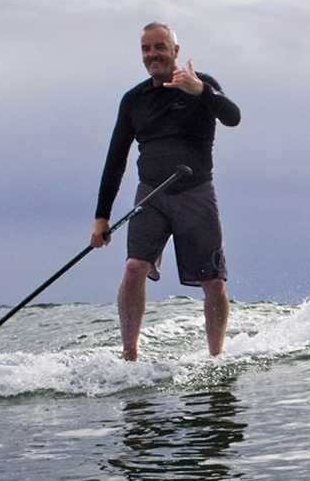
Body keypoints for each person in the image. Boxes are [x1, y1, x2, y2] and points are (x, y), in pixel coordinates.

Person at [90, 22, 241, 360]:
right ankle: (129, 355)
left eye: (159, 47)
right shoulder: (133, 100)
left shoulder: (202, 86)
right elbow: (115, 159)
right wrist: (102, 217)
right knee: (132, 268)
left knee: (213, 282)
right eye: (146, 49)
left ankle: (216, 357)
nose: (152, 54)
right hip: (151, 196)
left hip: (196, 193)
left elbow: (233, 117)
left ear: (176, 50)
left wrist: (200, 92)